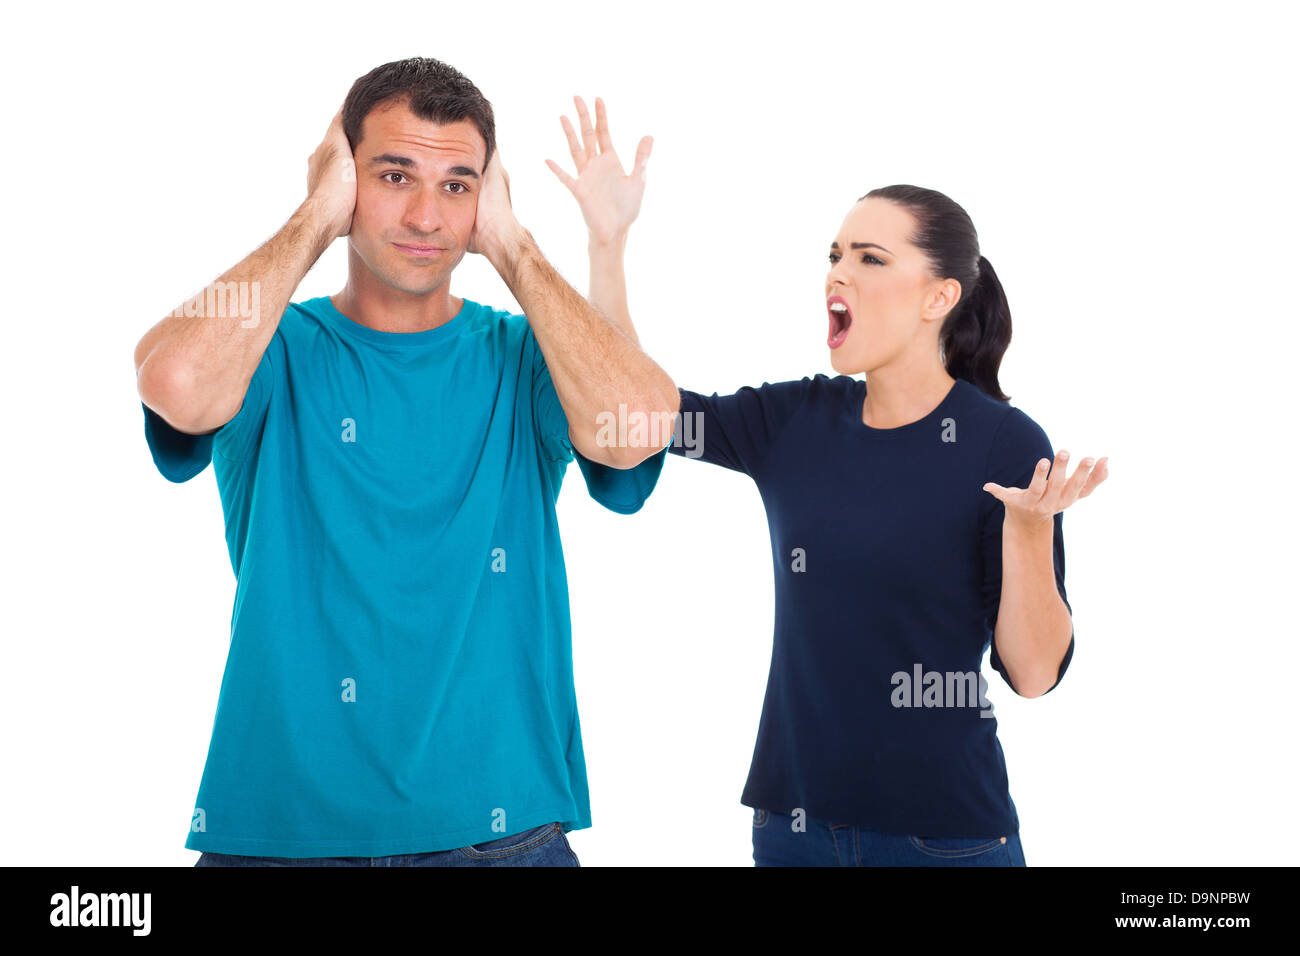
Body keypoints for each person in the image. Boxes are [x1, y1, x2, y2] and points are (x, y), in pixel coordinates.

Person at [133, 59, 678, 866]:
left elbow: (636, 429)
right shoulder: (271, 347)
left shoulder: (523, 357)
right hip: (280, 834)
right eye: (394, 175)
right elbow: (175, 381)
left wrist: (519, 246)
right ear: (346, 176)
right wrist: (315, 219)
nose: (427, 215)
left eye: (458, 186)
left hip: (503, 836)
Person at [549, 98, 1108, 866]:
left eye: (871, 259)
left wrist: (1029, 529)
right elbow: (639, 415)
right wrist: (607, 247)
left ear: (939, 298)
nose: (838, 273)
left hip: (945, 839)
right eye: (836, 255)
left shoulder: (1004, 446)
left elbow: (1036, 674)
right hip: (794, 828)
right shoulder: (797, 420)